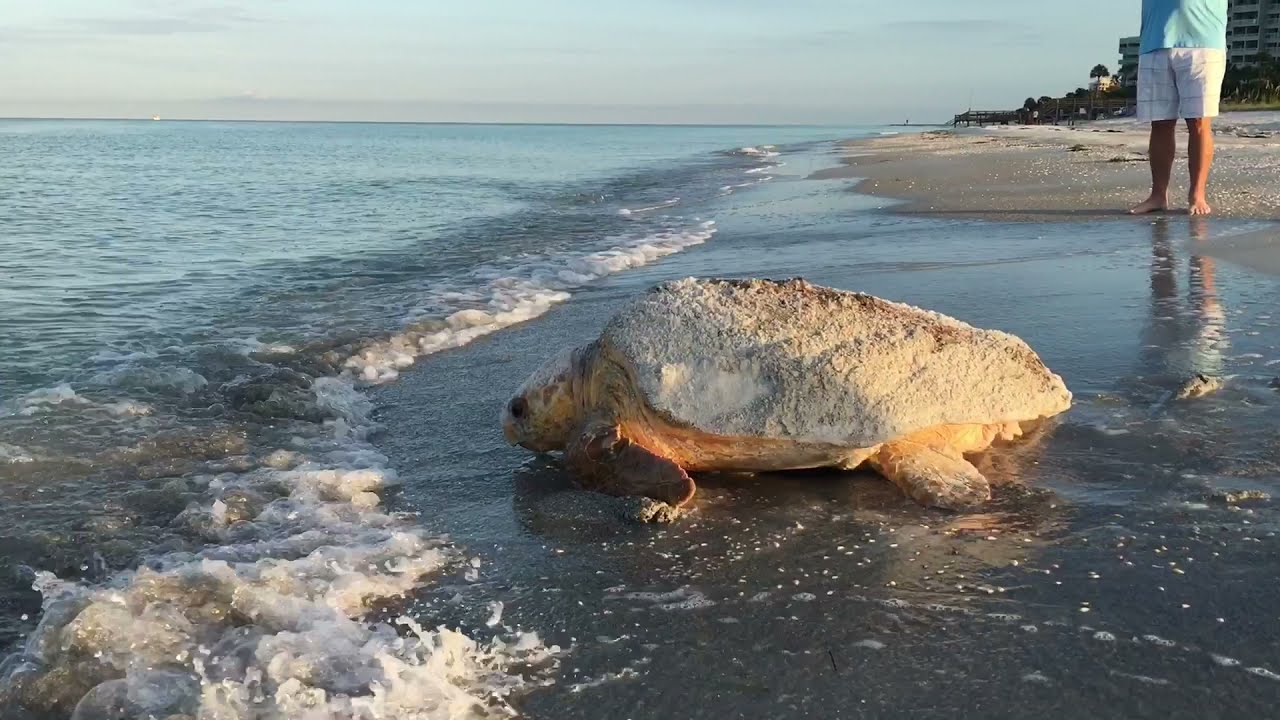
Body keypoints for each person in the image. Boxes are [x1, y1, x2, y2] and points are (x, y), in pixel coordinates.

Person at [1129, 0, 1228, 216]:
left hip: (1204, 41)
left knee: (1199, 121)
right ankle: (1158, 195)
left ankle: (1197, 194)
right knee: (1160, 122)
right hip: (1155, 41)